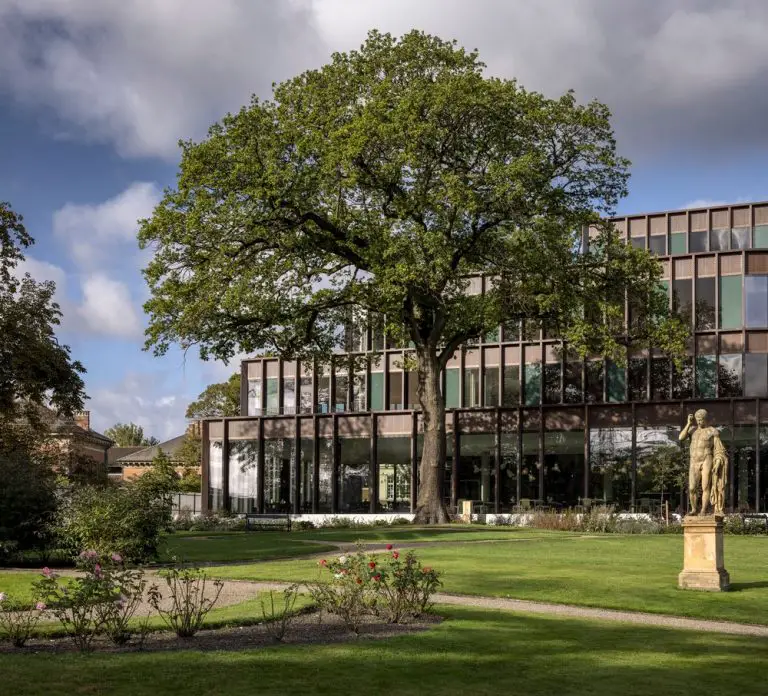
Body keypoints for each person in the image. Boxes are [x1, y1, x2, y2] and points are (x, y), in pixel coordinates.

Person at [679, 409, 728, 516]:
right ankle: (694, 509)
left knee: (705, 487)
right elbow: (681, 437)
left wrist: (718, 461)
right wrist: (688, 423)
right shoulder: (692, 430)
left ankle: (703, 510)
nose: (699, 422)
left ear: (705, 419)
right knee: (692, 488)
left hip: (707, 459)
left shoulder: (713, 431)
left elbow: (719, 449)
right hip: (694, 461)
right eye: (697, 420)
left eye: (701, 420)